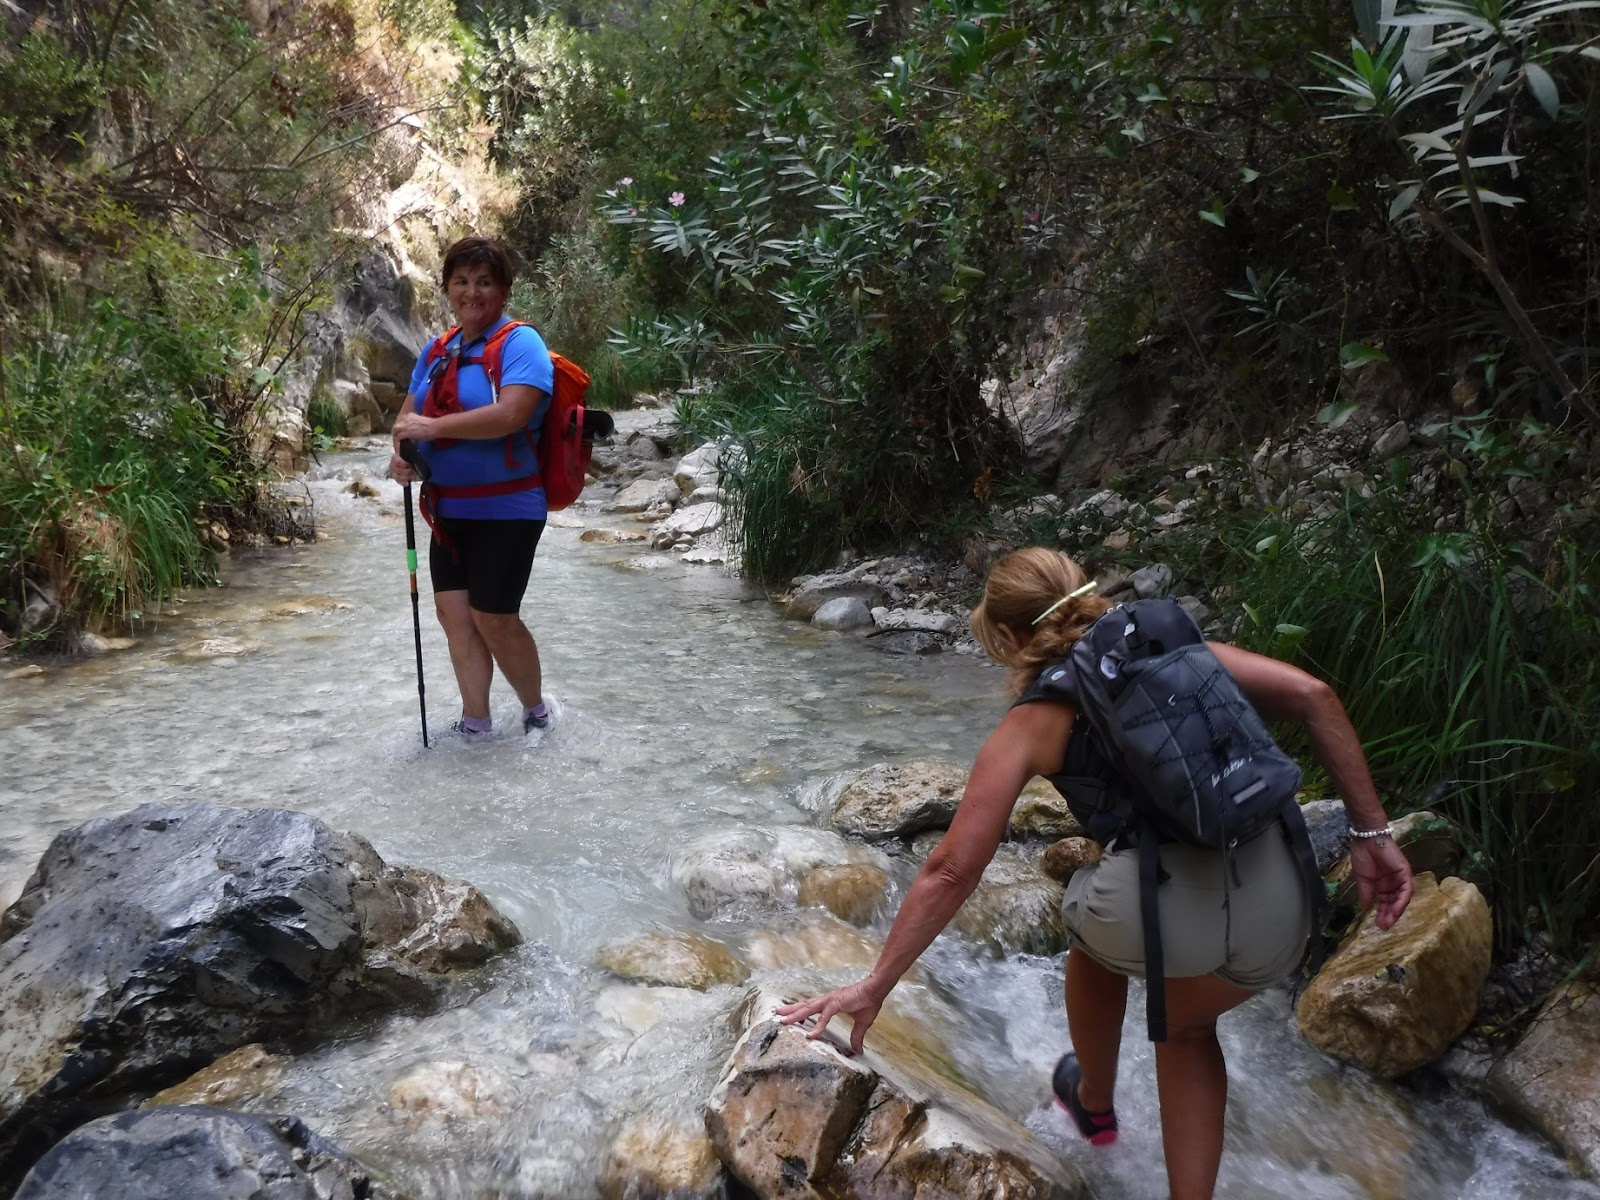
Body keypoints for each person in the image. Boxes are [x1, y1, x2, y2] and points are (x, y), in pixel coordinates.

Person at [778, 546, 1415, 1200]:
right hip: (1287, 905)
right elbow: (1315, 696)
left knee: (1088, 913)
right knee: (1188, 1029)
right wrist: (1371, 834)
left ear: (1009, 637)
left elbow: (950, 868)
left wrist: (875, 984)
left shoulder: (1031, 723)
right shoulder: (1175, 643)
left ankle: (1093, 1100)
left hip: (1167, 914)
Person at [389, 235, 555, 738]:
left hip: (508, 509)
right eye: (461, 281)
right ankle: (476, 722)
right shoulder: (438, 351)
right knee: (455, 618)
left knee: (494, 617)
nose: (472, 292)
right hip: (447, 512)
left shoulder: (520, 343)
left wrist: (431, 431)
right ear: (447, 289)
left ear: (503, 289)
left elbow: (511, 414)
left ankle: (536, 710)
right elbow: (405, 421)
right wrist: (402, 459)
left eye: (484, 282)